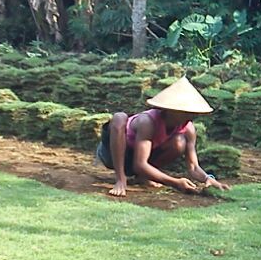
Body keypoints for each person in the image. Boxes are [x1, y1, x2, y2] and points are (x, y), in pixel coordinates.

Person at [96, 77, 229, 198]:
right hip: (114, 155)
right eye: (186, 112)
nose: (191, 116)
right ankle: (121, 179)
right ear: (171, 110)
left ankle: (143, 177)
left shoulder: (188, 129)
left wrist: (207, 178)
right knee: (119, 117)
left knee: (179, 142)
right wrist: (175, 182)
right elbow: (139, 164)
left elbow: (193, 167)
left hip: (142, 160)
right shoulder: (147, 122)